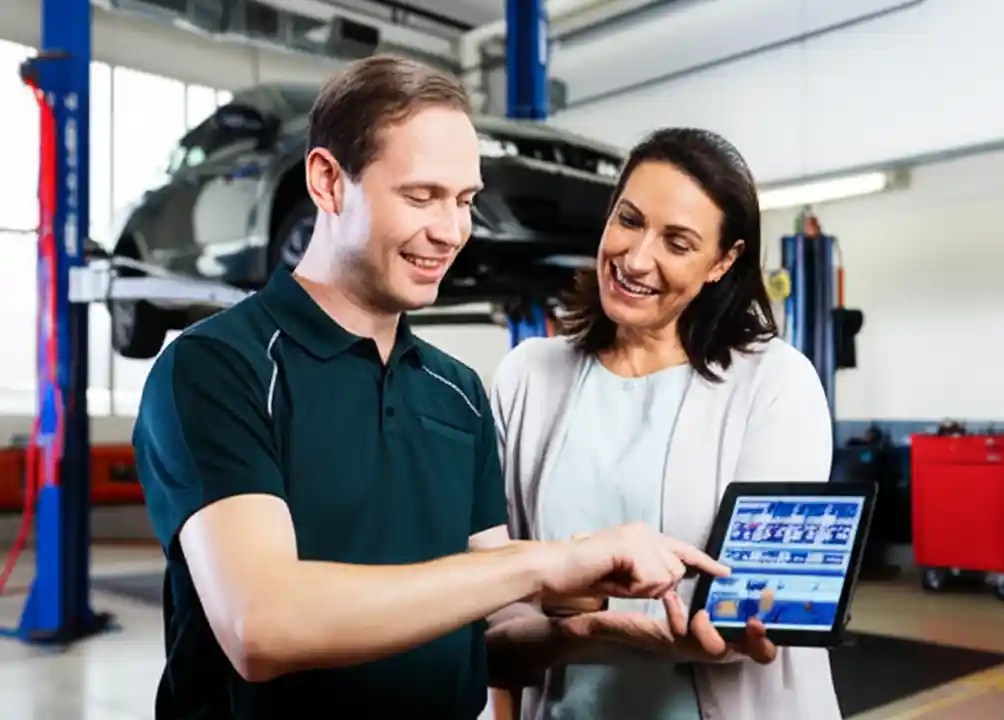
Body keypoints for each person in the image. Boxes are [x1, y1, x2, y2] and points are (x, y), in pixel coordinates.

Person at [130, 57, 729, 720]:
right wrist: (550, 562)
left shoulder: (459, 394)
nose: (451, 231)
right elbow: (263, 626)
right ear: (328, 181)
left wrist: (599, 634)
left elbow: (493, 634)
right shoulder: (218, 367)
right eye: (421, 196)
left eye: (464, 200)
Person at [484, 128, 843, 719]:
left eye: (677, 242)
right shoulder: (528, 376)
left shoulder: (776, 383)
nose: (635, 257)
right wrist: (569, 624)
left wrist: (582, 600)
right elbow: (499, 598)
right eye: (628, 220)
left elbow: (762, 602)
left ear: (722, 262)